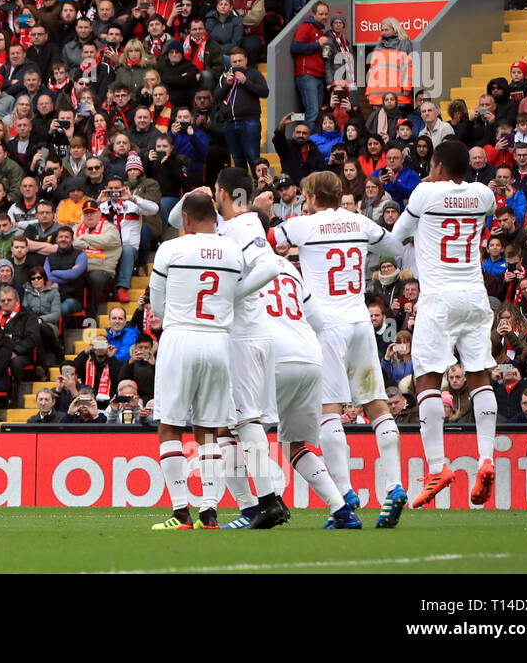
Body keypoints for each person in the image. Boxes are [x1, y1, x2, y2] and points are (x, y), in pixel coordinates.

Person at [269, 170, 408, 527]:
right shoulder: (359, 221)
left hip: (326, 325)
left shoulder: (303, 225)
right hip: (360, 319)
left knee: (328, 410)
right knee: (376, 403)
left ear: (312, 198)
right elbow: (395, 248)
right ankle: (394, 486)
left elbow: (267, 240)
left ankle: (345, 492)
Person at [149, 192, 274, 531]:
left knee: (170, 425)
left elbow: (158, 307)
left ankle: (180, 513)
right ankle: (210, 511)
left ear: (186, 219)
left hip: (180, 338)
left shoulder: (170, 249)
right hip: (219, 341)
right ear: (215, 219)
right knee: (208, 430)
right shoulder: (232, 250)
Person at [389, 141, 501, 509]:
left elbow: (396, 238)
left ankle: (438, 466)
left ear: (436, 167)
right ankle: (486, 458)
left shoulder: (424, 193)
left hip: (438, 299)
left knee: (427, 380)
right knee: (480, 374)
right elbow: (484, 203)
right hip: (474, 295)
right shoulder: (484, 194)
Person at [261, 252, 362, 528]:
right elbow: (318, 321)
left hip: (272, 356)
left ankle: (265, 502)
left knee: (239, 430)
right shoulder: (288, 268)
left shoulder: (240, 262)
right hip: (309, 357)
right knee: (293, 444)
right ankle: (340, 508)